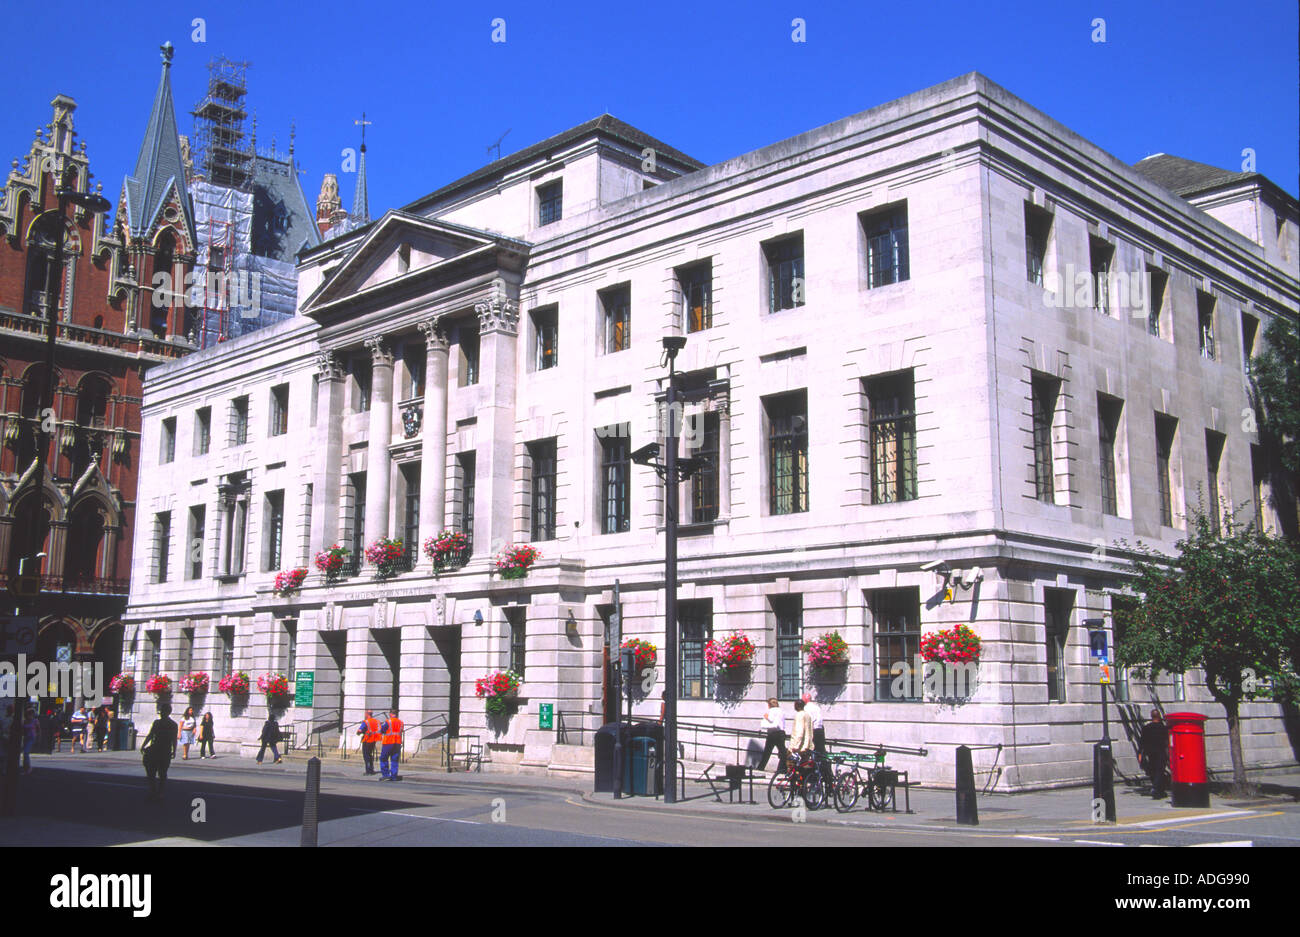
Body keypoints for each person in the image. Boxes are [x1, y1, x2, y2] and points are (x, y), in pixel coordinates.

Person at [140, 704, 178, 802]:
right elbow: (173, 739)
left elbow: (151, 735)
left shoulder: (160, 723)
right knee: (160, 772)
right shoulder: (172, 724)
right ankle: (158, 792)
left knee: (155, 772)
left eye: (163, 711)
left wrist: (144, 745)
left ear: (167, 712)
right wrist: (174, 750)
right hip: (163, 750)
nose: (161, 713)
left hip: (158, 749)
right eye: (161, 711)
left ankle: (155, 791)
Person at [1138, 709, 1170, 798]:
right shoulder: (1163, 728)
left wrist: (1140, 754)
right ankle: (1155, 788)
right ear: (1159, 716)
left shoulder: (1146, 728)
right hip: (1161, 752)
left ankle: (1160, 790)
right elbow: (1167, 741)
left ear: (1151, 716)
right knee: (1160, 771)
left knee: (1153, 771)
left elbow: (1142, 742)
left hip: (1150, 753)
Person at [802, 693, 831, 784]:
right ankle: (827, 774)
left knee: (808, 752)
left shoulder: (806, 708)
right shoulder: (816, 707)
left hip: (813, 730)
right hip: (820, 731)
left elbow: (808, 721)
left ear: (805, 700)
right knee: (821, 753)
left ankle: (810, 774)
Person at [757, 698, 788, 773]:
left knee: (767, 751)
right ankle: (783, 768)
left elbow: (771, 719)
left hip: (772, 733)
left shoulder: (771, 711)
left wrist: (766, 717)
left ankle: (761, 767)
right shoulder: (781, 711)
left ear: (769, 705)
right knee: (782, 751)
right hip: (781, 732)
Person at [379, 709, 403, 781]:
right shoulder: (401, 722)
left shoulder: (388, 721)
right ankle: (394, 776)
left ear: (390, 714)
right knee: (394, 760)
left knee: (383, 758)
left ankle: (386, 775)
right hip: (397, 743)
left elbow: (382, 730)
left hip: (388, 742)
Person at [357, 710, 380, 775]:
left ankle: (368, 771)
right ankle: (371, 769)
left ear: (367, 714)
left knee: (366, 756)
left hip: (367, 740)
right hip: (374, 739)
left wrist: (359, 733)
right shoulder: (376, 721)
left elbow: (359, 730)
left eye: (365, 713)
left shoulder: (366, 721)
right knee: (370, 755)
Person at [21, 708, 39, 774]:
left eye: (30, 714)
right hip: (26, 737)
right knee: (25, 753)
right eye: (28, 714)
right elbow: (22, 729)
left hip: (32, 737)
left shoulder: (35, 721)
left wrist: (38, 738)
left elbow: (38, 730)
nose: (29, 716)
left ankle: (28, 768)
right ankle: (25, 768)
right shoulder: (25, 721)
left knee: (26, 752)